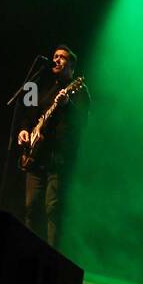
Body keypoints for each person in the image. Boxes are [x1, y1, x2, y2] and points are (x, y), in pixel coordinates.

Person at [17, 45, 89, 247]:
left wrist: (68, 105)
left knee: (52, 210)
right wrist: (23, 131)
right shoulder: (42, 87)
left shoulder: (79, 90)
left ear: (72, 65)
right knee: (30, 207)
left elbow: (83, 122)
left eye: (62, 58)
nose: (56, 60)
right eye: (55, 56)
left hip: (58, 159)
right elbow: (29, 115)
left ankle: (51, 257)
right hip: (35, 156)